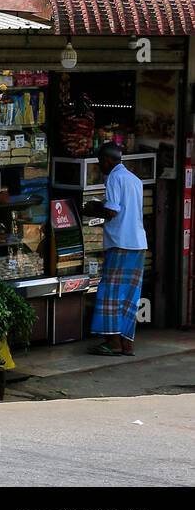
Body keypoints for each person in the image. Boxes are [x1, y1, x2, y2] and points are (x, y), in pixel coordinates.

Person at [84, 143, 148, 356]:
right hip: (138, 244)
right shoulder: (135, 180)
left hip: (120, 243)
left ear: (108, 160)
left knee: (110, 292)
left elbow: (112, 211)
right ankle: (126, 343)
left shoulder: (113, 177)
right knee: (130, 294)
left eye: (101, 161)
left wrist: (93, 208)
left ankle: (112, 342)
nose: (100, 165)